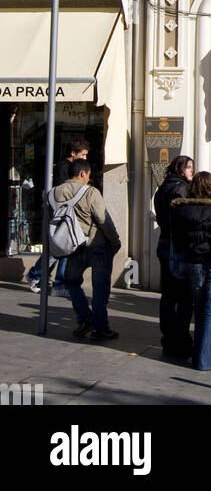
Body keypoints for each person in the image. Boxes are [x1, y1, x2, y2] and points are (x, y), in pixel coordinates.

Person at [51, 159, 121, 341]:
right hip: (96, 245)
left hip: (73, 247)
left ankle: (84, 317)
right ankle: (100, 327)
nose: (89, 179)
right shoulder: (90, 192)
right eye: (88, 175)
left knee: (71, 282)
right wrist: (115, 243)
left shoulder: (54, 193)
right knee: (100, 290)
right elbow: (104, 220)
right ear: (82, 173)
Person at [170, 170, 211, 372]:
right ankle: (206, 359)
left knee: (199, 308)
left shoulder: (182, 209)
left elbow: (176, 238)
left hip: (193, 261)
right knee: (210, 310)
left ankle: (201, 356)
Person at [28, 138, 92, 293]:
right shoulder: (65, 168)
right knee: (57, 250)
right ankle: (38, 275)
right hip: (61, 215)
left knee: (64, 250)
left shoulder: (70, 167)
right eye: (82, 155)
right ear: (73, 153)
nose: (85, 158)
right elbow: (66, 190)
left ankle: (54, 281)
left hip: (67, 216)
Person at [153, 154, 194, 358]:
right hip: (178, 245)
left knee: (168, 295)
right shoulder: (181, 189)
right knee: (184, 296)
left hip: (163, 242)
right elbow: (184, 220)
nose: (191, 173)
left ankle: (168, 337)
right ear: (180, 169)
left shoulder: (160, 190)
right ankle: (181, 337)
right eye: (189, 169)